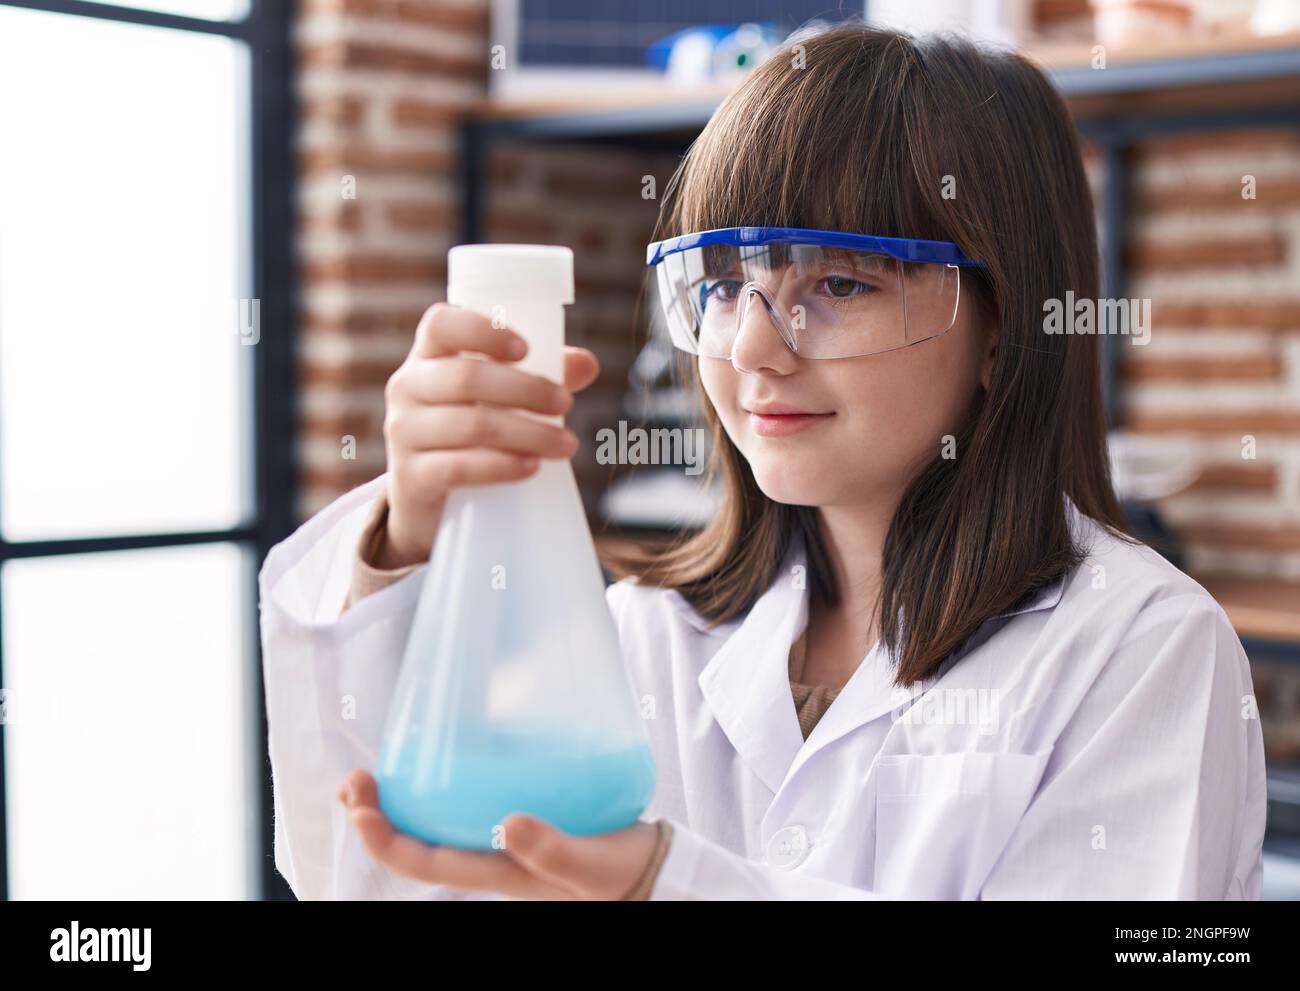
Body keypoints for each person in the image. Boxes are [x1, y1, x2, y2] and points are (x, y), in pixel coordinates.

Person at [259, 23, 1266, 900]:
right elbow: (380, 880)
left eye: (836, 281)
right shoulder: (648, 635)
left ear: (1000, 330)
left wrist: (668, 884)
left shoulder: (1142, 651)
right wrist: (408, 542)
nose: (749, 349)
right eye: (728, 285)